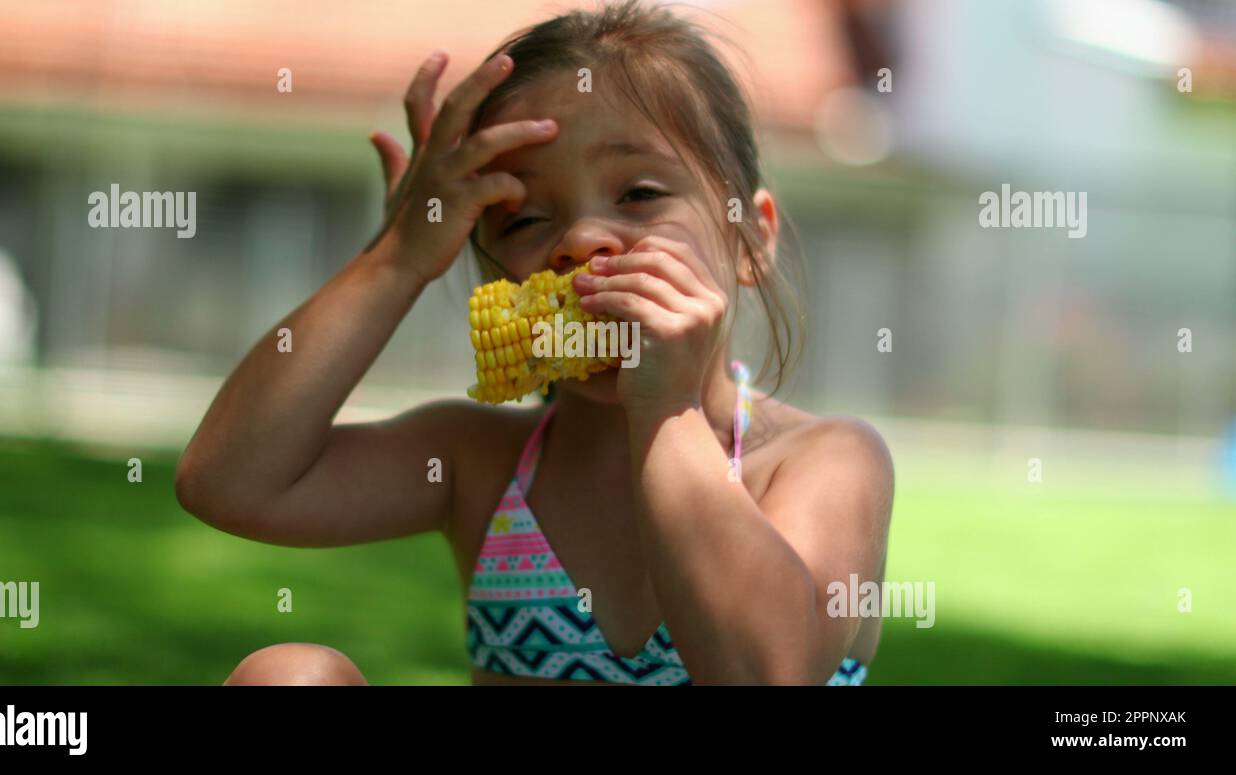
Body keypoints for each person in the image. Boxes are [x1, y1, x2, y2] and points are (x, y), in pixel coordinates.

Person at [176, 0, 893, 686]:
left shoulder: (824, 463)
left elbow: (763, 673)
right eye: (523, 221)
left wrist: (667, 411)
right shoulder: (479, 464)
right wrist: (396, 260)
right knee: (291, 674)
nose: (581, 240)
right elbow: (228, 481)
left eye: (639, 193)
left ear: (750, 236)